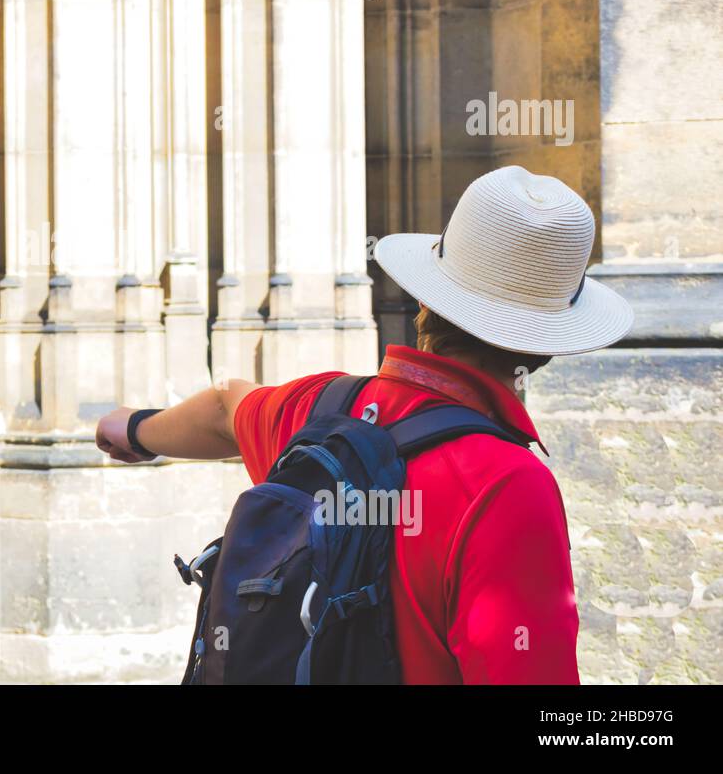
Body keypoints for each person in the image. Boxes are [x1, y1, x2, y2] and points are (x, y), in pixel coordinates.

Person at [95, 166, 633, 684]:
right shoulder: (509, 485)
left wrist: (133, 429)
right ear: (545, 344)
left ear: (427, 295)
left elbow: (222, 410)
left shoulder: (323, 409)